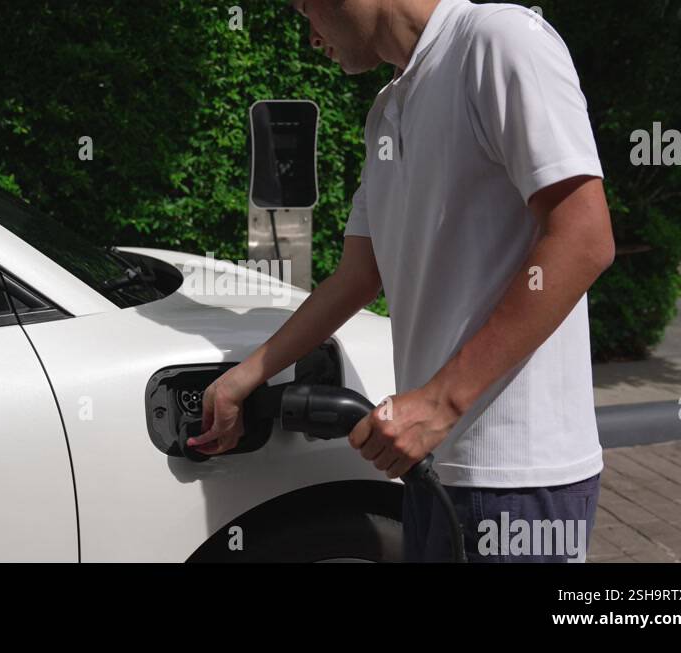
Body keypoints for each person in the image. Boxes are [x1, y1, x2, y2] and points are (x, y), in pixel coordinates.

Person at [190, 0, 615, 562]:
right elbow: (358, 276)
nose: (311, 38)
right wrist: (247, 376)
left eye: (305, 12)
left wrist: (438, 403)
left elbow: (583, 238)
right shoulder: (390, 106)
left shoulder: (500, 40)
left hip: (515, 476)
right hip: (432, 469)